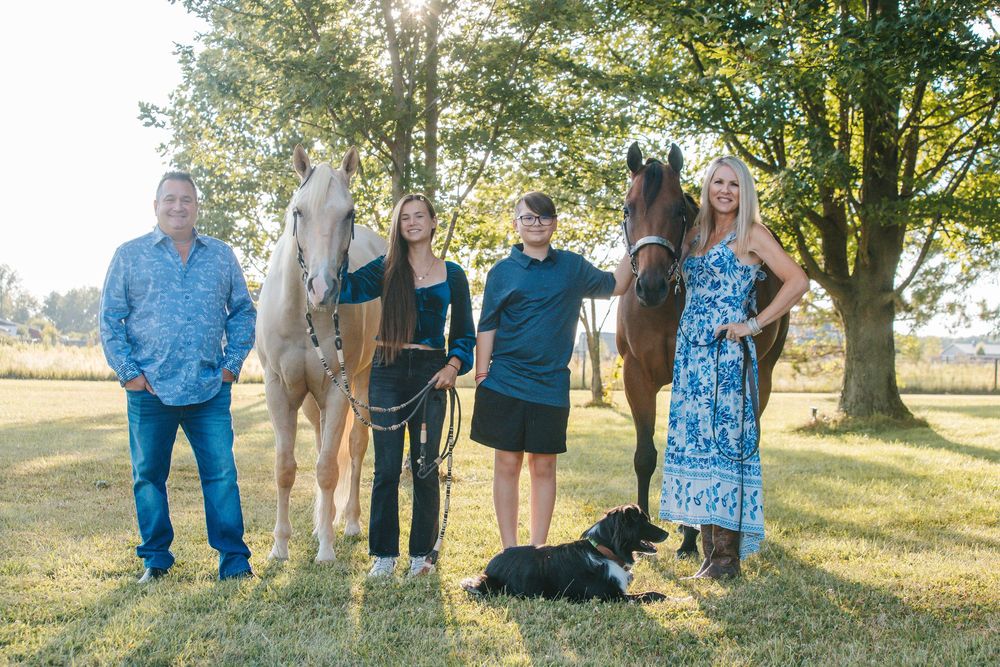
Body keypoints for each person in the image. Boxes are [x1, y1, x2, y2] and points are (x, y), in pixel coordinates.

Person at [100, 171, 256, 584]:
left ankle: (235, 562)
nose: (178, 206)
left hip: (209, 388)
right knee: (149, 476)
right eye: (170, 199)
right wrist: (130, 374)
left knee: (221, 475)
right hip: (150, 390)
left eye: (186, 199)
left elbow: (243, 311)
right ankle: (156, 560)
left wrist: (232, 364)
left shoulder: (221, 256)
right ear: (156, 206)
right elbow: (110, 319)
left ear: (196, 206)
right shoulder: (129, 256)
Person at [659, 156, 808, 578]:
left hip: (726, 355)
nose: (725, 190)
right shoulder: (694, 235)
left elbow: (797, 281)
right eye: (718, 182)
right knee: (699, 447)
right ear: (707, 188)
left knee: (725, 446)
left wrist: (755, 324)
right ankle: (710, 555)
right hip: (691, 357)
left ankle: (727, 559)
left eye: (734, 184)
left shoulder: (752, 234)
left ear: (745, 192)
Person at [472, 192, 633, 549]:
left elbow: (617, 285)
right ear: (515, 225)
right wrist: (482, 376)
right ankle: (511, 550)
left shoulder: (572, 268)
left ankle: (537, 549)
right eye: (527, 218)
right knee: (507, 464)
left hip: (550, 386)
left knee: (543, 467)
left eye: (543, 217)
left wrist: (635, 241)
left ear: (554, 223)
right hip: (505, 383)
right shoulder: (502, 272)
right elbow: (487, 326)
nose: (536, 224)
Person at [339, 193, 475, 578]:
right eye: (405, 218)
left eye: (420, 216)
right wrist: (327, 248)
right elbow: (345, 289)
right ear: (398, 227)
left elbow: (465, 332)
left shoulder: (453, 274)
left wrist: (453, 365)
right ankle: (384, 555)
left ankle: (421, 555)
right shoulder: (385, 269)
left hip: (432, 372)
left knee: (425, 466)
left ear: (433, 222)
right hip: (387, 369)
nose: (412, 222)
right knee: (385, 468)